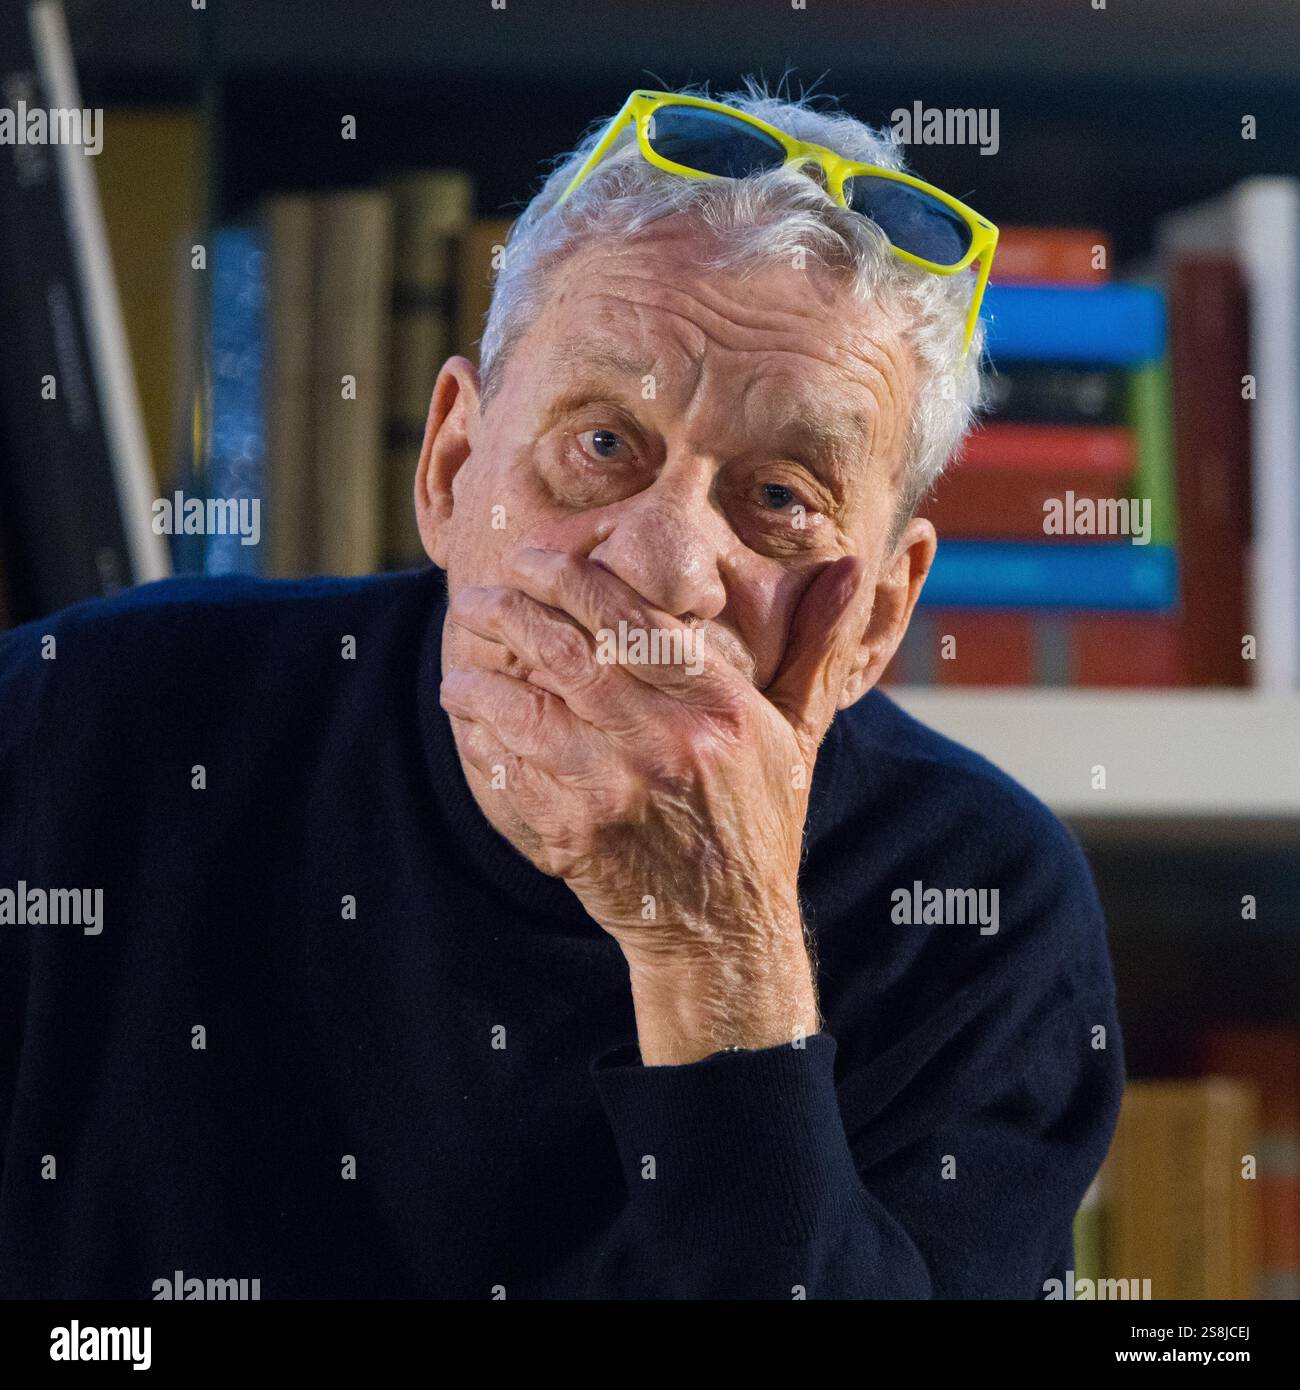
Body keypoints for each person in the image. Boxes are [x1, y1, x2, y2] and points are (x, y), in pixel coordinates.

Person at [0, 82, 1122, 1299]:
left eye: (781, 498)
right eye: (601, 445)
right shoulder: (82, 724)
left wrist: (716, 949)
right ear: (449, 466)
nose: (662, 564)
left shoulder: (978, 903)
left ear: (877, 618)